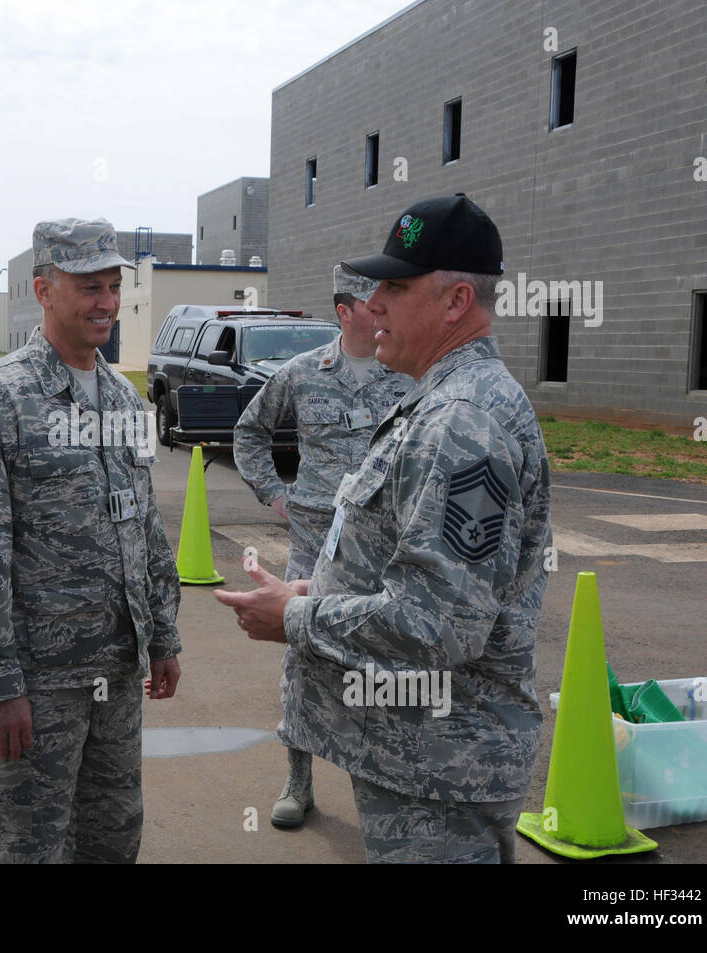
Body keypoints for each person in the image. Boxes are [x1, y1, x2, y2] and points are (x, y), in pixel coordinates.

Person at [216, 193, 552, 863]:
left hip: (440, 774)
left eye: (396, 287)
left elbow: (439, 624)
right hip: (420, 761)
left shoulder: (463, 423)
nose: (374, 305)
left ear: (456, 301)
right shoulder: (440, 401)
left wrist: (298, 618)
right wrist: (318, 591)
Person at [0, 217, 182, 864]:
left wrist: (163, 636)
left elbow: (145, 527)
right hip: (35, 692)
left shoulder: (126, 403)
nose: (105, 303)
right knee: (28, 848)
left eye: (111, 286)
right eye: (88, 288)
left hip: (116, 681)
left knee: (112, 837)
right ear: (44, 291)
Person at [233, 267, 410, 829]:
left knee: (386, 652)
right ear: (344, 311)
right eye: (369, 301)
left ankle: (385, 781)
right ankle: (298, 778)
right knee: (303, 654)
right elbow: (249, 431)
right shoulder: (304, 373)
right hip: (316, 539)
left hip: (384, 544)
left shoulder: (406, 375)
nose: (381, 309)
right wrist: (275, 494)